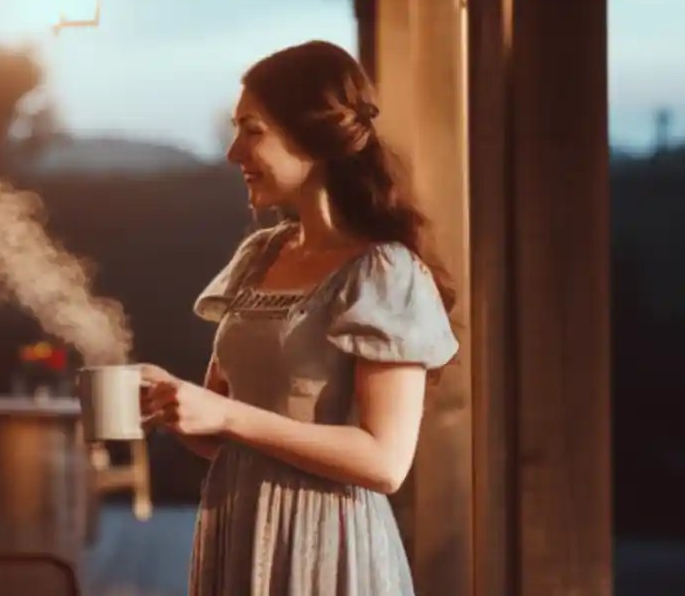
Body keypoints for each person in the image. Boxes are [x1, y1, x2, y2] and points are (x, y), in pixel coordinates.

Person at [140, 40, 458, 595]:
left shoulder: (383, 271)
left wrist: (226, 415)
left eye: (252, 129)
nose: (234, 152)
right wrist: (175, 404)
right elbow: (226, 434)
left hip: (326, 546)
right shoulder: (260, 256)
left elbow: (385, 461)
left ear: (313, 135)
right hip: (238, 531)